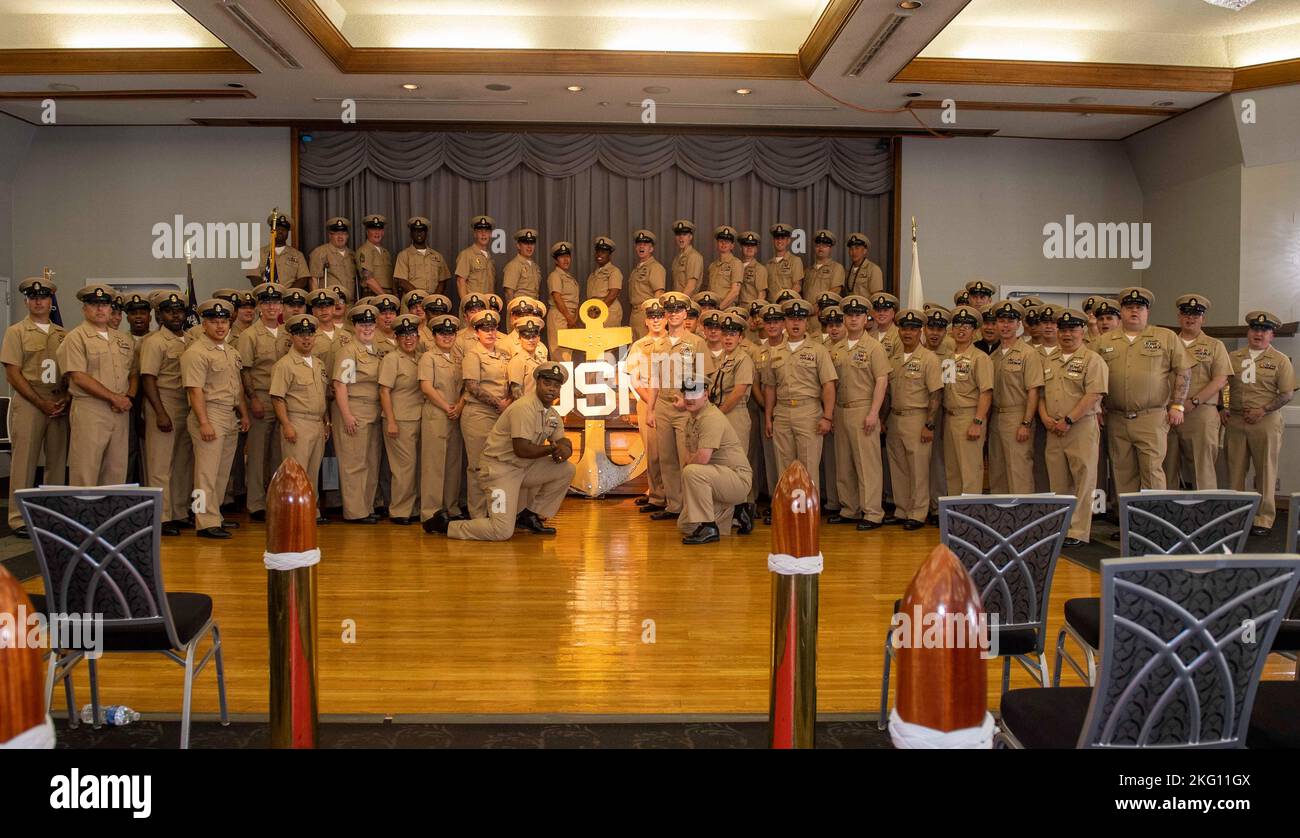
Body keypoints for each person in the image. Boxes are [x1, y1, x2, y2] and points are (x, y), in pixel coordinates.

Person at [427, 363, 575, 540]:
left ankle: (529, 515)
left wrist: (566, 449)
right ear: (537, 382)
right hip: (500, 471)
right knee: (501, 531)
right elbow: (522, 449)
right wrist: (553, 448)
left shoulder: (550, 413)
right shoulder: (524, 407)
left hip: (522, 469)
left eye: (556, 385)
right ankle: (446, 526)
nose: (551, 389)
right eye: (547, 383)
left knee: (567, 469)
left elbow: (562, 440)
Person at [1093, 287, 1191, 508]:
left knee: (1152, 472)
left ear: (1147, 312)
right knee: (1122, 473)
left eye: (1139, 307)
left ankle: (1154, 524)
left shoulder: (1165, 337)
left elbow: (1184, 371)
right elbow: (1094, 378)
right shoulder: (1104, 341)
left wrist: (1177, 405)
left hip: (1151, 417)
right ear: (1122, 311)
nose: (1134, 311)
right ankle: (1128, 524)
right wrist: (1097, 408)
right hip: (1116, 418)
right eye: (1129, 307)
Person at [2, 276, 68, 537]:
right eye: (33, 298)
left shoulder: (63, 334)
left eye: (43, 297)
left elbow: (70, 371)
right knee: (24, 462)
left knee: (56, 462)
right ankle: (19, 518)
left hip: (59, 401)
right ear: (27, 301)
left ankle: (52, 515)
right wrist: (40, 402)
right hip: (31, 401)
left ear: (50, 300)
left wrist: (66, 398)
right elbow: (13, 373)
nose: (39, 301)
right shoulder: (16, 331)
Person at [1038, 308, 1108, 547]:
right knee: (1058, 481)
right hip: (1053, 428)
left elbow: (1093, 394)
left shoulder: (1093, 359)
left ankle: (1078, 531)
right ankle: (1061, 528)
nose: (1067, 334)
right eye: (1063, 329)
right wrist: (1046, 417)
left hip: (1080, 427)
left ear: (1082, 331)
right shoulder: (1050, 359)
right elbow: (1041, 394)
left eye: (1073, 329)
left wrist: (1068, 420)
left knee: (1083, 479)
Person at [181, 298, 250, 538]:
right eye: (213, 322)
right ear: (203, 325)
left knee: (222, 472)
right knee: (205, 473)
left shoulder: (230, 350)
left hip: (229, 414)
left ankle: (215, 514)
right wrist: (203, 422)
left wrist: (243, 412)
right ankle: (204, 521)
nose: (220, 327)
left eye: (223, 322)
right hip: (209, 413)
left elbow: (237, 386)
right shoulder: (197, 352)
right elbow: (194, 390)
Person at [57, 283, 137, 486]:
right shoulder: (75, 338)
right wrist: (114, 397)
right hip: (90, 409)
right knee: (86, 469)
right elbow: (78, 376)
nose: (100, 309)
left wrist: (129, 398)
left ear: (111, 308)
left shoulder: (123, 339)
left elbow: (134, 372)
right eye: (94, 304)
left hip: (120, 411)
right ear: (85, 308)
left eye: (104, 304)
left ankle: (111, 517)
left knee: (116, 470)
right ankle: (84, 517)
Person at [1225, 310, 1296, 537]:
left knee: (1265, 470)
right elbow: (1224, 386)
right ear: (1249, 332)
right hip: (1236, 421)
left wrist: (1263, 410)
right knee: (1235, 470)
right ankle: (1237, 515)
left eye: (1264, 330)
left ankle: (1263, 519)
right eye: (1255, 329)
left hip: (1265, 421)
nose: (1259, 333)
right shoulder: (1233, 357)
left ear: (1271, 335)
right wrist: (1223, 408)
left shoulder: (1280, 360)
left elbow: (1286, 394)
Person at [645, 291, 710, 521]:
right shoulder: (658, 344)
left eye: (678, 311)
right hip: (663, 405)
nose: (674, 315)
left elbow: (702, 378)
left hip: (686, 408)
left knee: (687, 459)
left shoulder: (696, 343)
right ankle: (673, 505)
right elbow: (654, 378)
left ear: (685, 314)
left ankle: (690, 508)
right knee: (667, 459)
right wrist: (650, 409)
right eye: (670, 311)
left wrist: (688, 401)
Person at [762, 298, 837, 495]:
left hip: (809, 412)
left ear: (807, 323)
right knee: (784, 468)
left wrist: (827, 416)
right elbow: (770, 387)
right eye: (792, 319)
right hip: (783, 413)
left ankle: (808, 517)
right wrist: (768, 417)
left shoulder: (818, 351)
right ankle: (788, 513)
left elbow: (828, 385)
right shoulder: (775, 351)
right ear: (785, 322)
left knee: (808, 468)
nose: (796, 324)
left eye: (801, 319)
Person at [828, 294, 890, 529]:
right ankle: (849, 508)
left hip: (864, 408)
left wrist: (874, 413)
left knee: (868, 464)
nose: (853, 319)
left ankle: (873, 512)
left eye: (858, 315)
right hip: (841, 410)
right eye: (849, 315)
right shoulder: (837, 348)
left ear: (867, 319)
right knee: (844, 463)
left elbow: (882, 381)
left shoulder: (874, 347)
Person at [138, 289, 193, 535]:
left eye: (179, 310)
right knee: (160, 464)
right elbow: (148, 379)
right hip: (164, 403)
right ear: (160, 315)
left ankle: (179, 511)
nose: (175, 315)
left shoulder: (191, 339)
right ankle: (162, 515)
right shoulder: (154, 341)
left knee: (183, 463)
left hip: (187, 404)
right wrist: (159, 412)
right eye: (169, 311)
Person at [1163, 294, 1231, 490]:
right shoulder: (1167, 343)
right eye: (1186, 313)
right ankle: (1168, 513)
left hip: (1200, 414)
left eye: (1195, 314)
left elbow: (1221, 380)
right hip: (1167, 413)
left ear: (1203, 318)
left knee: (1203, 468)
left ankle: (1205, 514)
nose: (1190, 318)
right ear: (1179, 317)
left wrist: (1193, 402)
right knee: (1166, 467)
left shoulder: (1214, 346)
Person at [269, 313, 331, 523]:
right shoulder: (285, 364)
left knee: (313, 472)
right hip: (297, 422)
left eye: (310, 335)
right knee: (296, 474)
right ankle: (294, 515)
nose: (306, 339)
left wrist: (326, 422)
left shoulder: (319, 364)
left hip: (316, 422)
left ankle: (311, 512)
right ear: (292, 338)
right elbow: (277, 398)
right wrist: (286, 424)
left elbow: (323, 396)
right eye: (301, 335)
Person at [676, 378, 753, 544]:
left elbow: (701, 459)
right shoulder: (691, 419)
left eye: (695, 393)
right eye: (687, 393)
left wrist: (690, 468)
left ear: (705, 395)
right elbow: (688, 456)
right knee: (685, 525)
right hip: (715, 478)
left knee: (691, 472)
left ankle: (710, 527)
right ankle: (736, 510)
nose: (690, 398)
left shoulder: (711, 418)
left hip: (736, 478)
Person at [885, 309, 943, 530]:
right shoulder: (895, 359)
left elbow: (935, 394)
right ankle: (902, 509)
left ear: (921, 331)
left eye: (913, 328)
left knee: (918, 470)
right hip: (895, 418)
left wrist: (929, 424)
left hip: (917, 419)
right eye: (904, 328)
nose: (908, 332)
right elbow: (889, 393)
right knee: (898, 467)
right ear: (899, 331)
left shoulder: (929, 358)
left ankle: (918, 513)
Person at [236, 282, 287, 522]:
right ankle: (256, 503)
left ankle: (275, 499)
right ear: (259, 306)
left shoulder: (288, 332)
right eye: (266, 303)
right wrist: (253, 399)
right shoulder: (249, 336)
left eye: (276, 302)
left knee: (279, 453)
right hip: (262, 396)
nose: (271, 307)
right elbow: (244, 371)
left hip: (284, 399)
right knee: (257, 454)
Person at [332, 304, 385, 524]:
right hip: (354, 409)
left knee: (371, 462)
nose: (367, 328)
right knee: (354, 463)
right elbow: (339, 385)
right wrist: (346, 416)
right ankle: (355, 511)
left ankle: (367, 505)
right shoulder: (348, 350)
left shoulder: (376, 349)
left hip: (373, 411)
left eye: (370, 323)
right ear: (354, 326)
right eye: (363, 324)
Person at [460, 309, 513, 518]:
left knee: (496, 466)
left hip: (500, 414)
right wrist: (498, 404)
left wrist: (508, 401)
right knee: (477, 466)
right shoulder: (473, 354)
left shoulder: (502, 354)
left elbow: (508, 382)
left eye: (493, 329)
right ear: (476, 332)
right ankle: (477, 514)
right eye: (485, 329)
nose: (490, 333)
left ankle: (495, 511)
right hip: (478, 415)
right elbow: (471, 386)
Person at [988, 300, 1044, 494]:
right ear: (995, 324)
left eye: (1010, 321)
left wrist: (1026, 423)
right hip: (996, 417)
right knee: (998, 471)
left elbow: (1034, 391)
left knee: (1018, 470)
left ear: (1019, 324)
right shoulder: (993, 356)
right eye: (1001, 321)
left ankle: (1023, 518)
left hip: (1017, 416)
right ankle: (1001, 516)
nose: (1005, 325)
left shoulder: (1028, 354)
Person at [710, 311, 756, 533]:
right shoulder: (722, 359)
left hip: (734, 415)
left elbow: (739, 391)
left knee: (738, 465)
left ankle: (743, 512)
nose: (728, 338)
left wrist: (718, 413)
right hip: (721, 415)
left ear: (741, 337)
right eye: (725, 334)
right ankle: (729, 512)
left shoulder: (743, 359)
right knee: (724, 466)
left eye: (733, 334)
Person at [419, 314, 466, 527]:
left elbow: (466, 385)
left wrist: (460, 405)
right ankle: (432, 511)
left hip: (455, 414)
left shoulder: (458, 357)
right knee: (434, 465)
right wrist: (447, 406)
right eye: (442, 333)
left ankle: (451, 506)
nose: (447, 337)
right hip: (437, 413)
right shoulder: (428, 357)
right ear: (434, 335)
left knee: (453, 464)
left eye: (450, 333)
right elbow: (426, 387)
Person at [941, 305, 993, 496]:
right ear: (952, 329)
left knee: (970, 472)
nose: (961, 329)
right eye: (957, 325)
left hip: (969, 417)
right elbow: (947, 389)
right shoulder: (948, 357)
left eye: (967, 326)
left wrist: (977, 422)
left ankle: (970, 518)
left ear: (975, 331)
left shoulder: (980, 358)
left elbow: (986, 392)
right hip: (950, 418)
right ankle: (954, 518)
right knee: (952, 472)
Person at [378, 313, 424, 525]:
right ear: (396, 338)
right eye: (403, 335)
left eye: (412, 334)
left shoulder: (420, 357)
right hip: (400, 419)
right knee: (403, 468)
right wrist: (391, 420)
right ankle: (399, 511)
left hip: (417, 417)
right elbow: (384, 391)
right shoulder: (391, 359)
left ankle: (412, 507)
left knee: (414, 467)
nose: (408, 339)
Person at [628, 298, 668, 511]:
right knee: (652, 453)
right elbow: (634, 379)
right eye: (652, 317)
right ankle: (656, 496)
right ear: (645, 321)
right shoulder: (639, 346)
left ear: (667, 318)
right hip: (646, 403)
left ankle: (673, 495)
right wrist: (650, 401)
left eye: (660, 316)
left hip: (671, 404)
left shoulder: (674, 343)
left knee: (670, 453)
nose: (656, 320)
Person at [248, 212, 311, 287]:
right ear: (271, 231)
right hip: (264, 296)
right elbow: (254, 277)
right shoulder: (257, 254)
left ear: (288, 233)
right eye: (277, 229)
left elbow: (303, 278)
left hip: (289, 296)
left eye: (284, 229)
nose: (280, 232)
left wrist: (288, 294)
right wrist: (267, 291)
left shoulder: (298, 255)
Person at [393, 216, 451, 296]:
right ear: (411, 233)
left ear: (426, 233)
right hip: (411, 301)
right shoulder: (403, 255)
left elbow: (442, 281)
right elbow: (402, 281)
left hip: (433, 303)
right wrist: (421, 297)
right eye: (415, 231)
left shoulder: (437, 256)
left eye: (422, 231)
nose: (419, 233)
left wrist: (432, 299)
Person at [627, 230, 666, 339]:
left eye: (645, 244)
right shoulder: (636, 269)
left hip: (646, 313)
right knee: (635, 350)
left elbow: (659, 293)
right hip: (634, 314)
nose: (641, 247)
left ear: (651, 249)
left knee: (648, 348)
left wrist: (653, 317)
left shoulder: (655, 267)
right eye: (639, 244)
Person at [546, 241, 580, 360]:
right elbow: (557, 298)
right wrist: (569, 318)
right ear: (556, 260)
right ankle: (559, 378)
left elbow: (574, 301)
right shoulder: (555, 275)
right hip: (559, 316)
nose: (565, 260)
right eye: (561, 257)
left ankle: (567, 378)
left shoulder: (569, 277)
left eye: (567, 256)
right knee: (559, 353)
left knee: (567, 353)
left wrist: (573, 318)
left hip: (569, 317)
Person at [308, 217, 357, 292]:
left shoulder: (352, 255)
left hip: (350, 301)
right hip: (329, 301)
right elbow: (313, 280)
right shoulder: (320, 252)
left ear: (347, 236)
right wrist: (318, 301)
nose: (340, 237)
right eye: (337, 233)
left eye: (343, 233)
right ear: (330, 235)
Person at [455, 215, 497, 300]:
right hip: (473, 307)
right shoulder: (466, 254)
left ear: (490, 234)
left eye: (486, 231)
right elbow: (460, 282)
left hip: (487, 306)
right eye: (480, 231)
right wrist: (467, 305)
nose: (483, 234)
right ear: (474, 234)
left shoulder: (489, 258)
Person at [587, 235, 624, 328]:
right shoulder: (593, 274)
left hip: (608, 311)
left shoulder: (614, 271)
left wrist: (599, 309)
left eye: (603, 252)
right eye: (598, 252)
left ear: (609, 255)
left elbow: (613, 294)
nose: (599, 255)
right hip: (594, 312)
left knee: (609, 341)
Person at [705, 226, 743, 311]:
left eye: (727, 242)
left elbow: (735, 292)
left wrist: (720, 308)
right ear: (717, 244)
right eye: (721, 241)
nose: (723, 244)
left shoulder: (736, 263)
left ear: (732, 246)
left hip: (727, 309)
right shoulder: (713, 265)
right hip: (712, 308)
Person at [803, 230, 844, 309]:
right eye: (818, 245)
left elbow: (835, 292)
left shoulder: (837, 268)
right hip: (807, 315)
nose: (821, 248)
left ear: (830, 248)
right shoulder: (808, 271)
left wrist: (817, 306)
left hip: (824, 315)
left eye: (825, 245)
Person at [356, 213, 392, 297]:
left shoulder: (385, 252)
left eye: (379, 229)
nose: (377, 233)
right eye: (373, 229)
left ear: (383, 232)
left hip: (387, 294)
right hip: (373, 294)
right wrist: (385, 297)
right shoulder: (364, 251)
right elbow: (368, 280)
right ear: (367, 231)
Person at [766, 223, 804, 300]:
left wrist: (785, 300)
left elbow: (797, 286)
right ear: (773, 240)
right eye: (777, 238)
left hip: (787, 304)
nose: (779, 241)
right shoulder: (768, 264)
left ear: (788, 240)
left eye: (783, 238)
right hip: (771, 306)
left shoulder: (795, 261)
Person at [503, 228, 541, 303]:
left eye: (532, 243)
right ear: (518, 246)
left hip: (533, 309)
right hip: (520, 309)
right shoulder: (514, 265)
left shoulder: (535, 267)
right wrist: (514, 311)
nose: (529, 247)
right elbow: (508, 293)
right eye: (526, 243)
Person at [670, 219, 704, 298]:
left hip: (687, 304)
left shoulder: (694, 256)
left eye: (684, 234)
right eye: (678, 234)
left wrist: (679, 303)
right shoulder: (677, 258)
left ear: (690, 237)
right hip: (677, 303)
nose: (681, 238)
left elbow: (691, 286)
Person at [843, 233, 883, 297]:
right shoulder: (848, 271)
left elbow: (876, 297)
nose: (853, 252)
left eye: (857, 248)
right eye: (851, 249)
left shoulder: (873, 269)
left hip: (866, 306)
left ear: (865, 251)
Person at [736, 231, 768, 308]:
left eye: (752, 246)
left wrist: (754, 312)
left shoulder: (760, 269)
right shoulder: (736, 266)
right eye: (746, 245)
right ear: (741, 248)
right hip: (735, 308)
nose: (749, 248)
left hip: (750, 307)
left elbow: (762, 294)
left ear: (756, 249)